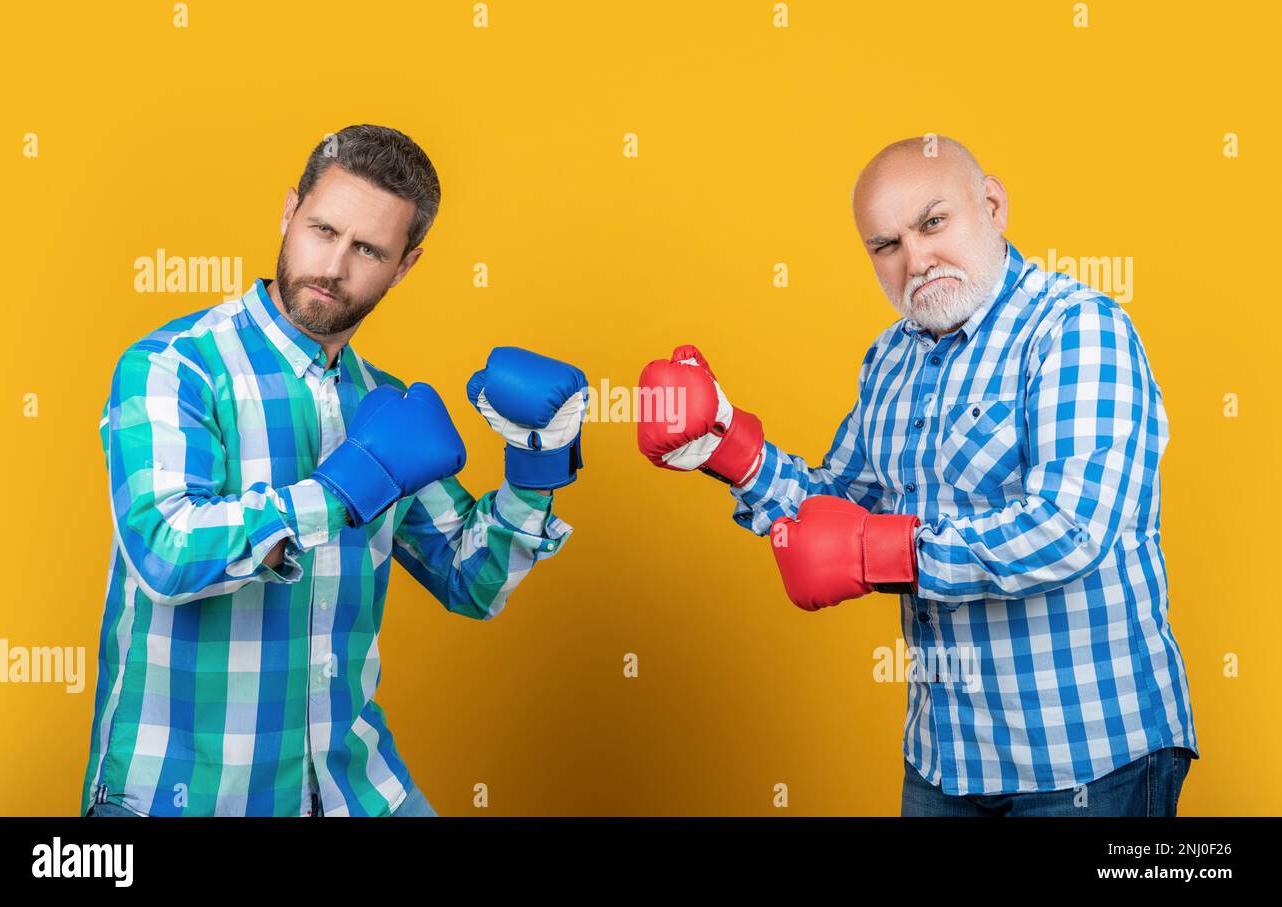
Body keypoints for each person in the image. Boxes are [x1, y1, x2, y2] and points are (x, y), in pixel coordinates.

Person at [635, 135, 1197, 816]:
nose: (916, 259)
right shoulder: (890, 360)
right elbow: (835, 508)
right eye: (886, 245)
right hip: (946, 755)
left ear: (991, 204)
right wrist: (729, 444)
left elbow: (1071, 529)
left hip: (1086, 755)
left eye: (933, 223)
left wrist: (886, 551)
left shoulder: (1076, 329)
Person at [82, 124, 587, 817]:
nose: (334, 267)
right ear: (289, 212)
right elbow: (166, 551)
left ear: (405, 265)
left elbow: (474, 581)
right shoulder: (178, 365)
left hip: (350, 786)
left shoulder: (383, 405)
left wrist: (537, 464)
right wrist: (340, 491)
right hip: (186, 794)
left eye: (368, 249)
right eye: (323, 230)